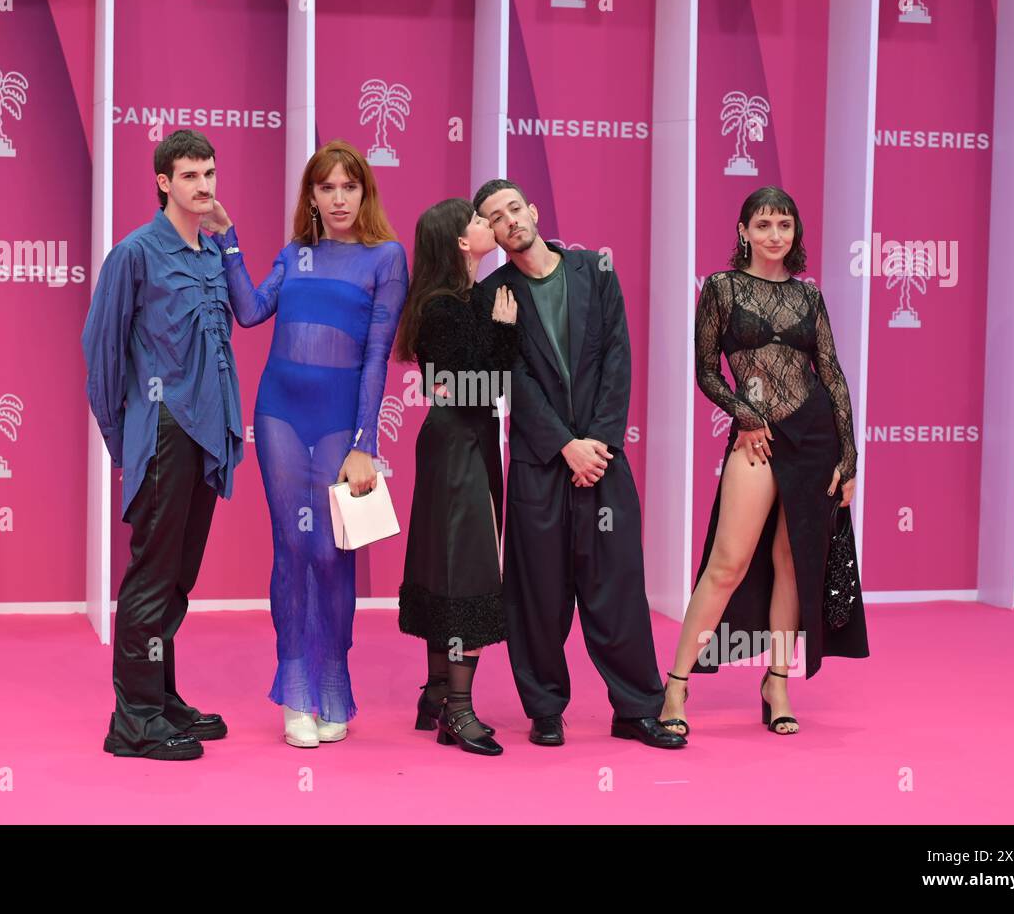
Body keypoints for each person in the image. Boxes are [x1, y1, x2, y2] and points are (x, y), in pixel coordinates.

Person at [202, 139, 408, 747]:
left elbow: (376, 361)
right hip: (279, 416)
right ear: (312, 197)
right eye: (327, 188)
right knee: (292, 546)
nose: (339, 198)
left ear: (364, 192)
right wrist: (228, 237)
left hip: (342, 423)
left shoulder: (386, 258)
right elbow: (249, 310)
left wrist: (366, 443)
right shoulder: (296, 255)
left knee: (329, 552)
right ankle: (296, 693)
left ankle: (332, 685)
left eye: (349, 186)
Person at [473, 178, 685, 750]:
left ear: (533, 210)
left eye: (514, 208)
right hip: (540, 465)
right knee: (538, 592)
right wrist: (565, 445)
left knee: (616, 586)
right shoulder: (494, 293)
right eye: (495, 217)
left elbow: (619, 356)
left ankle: (638, 708)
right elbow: (511, 380)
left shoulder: (595, 271)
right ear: (489, 233)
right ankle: (545, 709)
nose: (509, 220)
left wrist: (597, 443)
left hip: (603, 461)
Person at [661, 186, 869, 738]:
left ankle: (777, 681)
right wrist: (745, 415)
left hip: (815, 436)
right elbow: (707, 369)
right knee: (727, 563)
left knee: (793, 562)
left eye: (784, 225)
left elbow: (834, 375)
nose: (775, 235)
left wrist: (848, 457)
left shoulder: (809, 297)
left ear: (795, 233)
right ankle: (676, 685)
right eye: (764, 225)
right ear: (744, 231)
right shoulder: (722, 289)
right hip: (757, 438)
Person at [82, 129, 243, 761]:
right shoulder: (134, 255)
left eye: (210, 174)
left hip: (208, 434)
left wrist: (228, 239)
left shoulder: (208, 252)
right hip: (164, 433)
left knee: (178, 578)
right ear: (163, 183)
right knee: (151, 577)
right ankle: (135, 720)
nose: (204, 187)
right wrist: (129, 446)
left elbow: (249, 313)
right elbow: (101, 357)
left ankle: (163, 698)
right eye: (191, 176)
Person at [393, 199, 519, 757]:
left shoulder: (459, 299)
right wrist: (507, 332)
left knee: (448, 561)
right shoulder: (447, 307)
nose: (486, 224)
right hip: (458, 442)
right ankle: (458, 711)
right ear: (460, 243)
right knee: (464, 569)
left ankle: (439, 692)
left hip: (463, 439)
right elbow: (480, 383)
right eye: (476, 220)